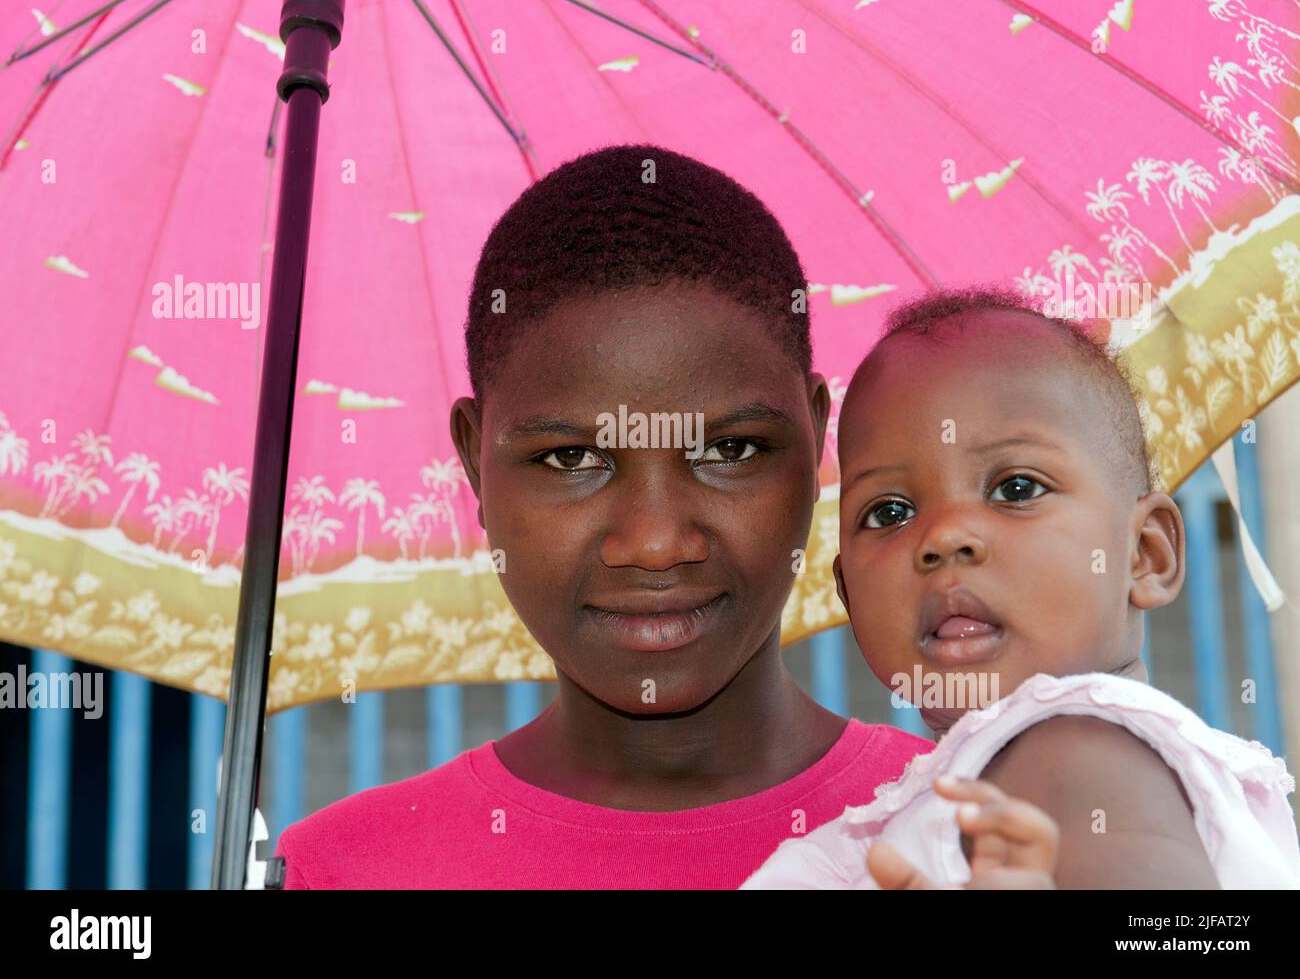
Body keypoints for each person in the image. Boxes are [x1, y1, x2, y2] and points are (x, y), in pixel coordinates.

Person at [272, 143, 934, 888]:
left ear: (815, 439)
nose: (654, 543)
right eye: (571, 460)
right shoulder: (347, 871)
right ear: (473, 461)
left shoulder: (977, 834)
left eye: (730, 448)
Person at [742, 289, 1300, 889]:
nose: (944, 536)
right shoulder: (965, 787)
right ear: (849, 593)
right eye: (890, 512)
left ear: (1145, 554)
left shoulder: (1082, 747)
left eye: (1015, 489)